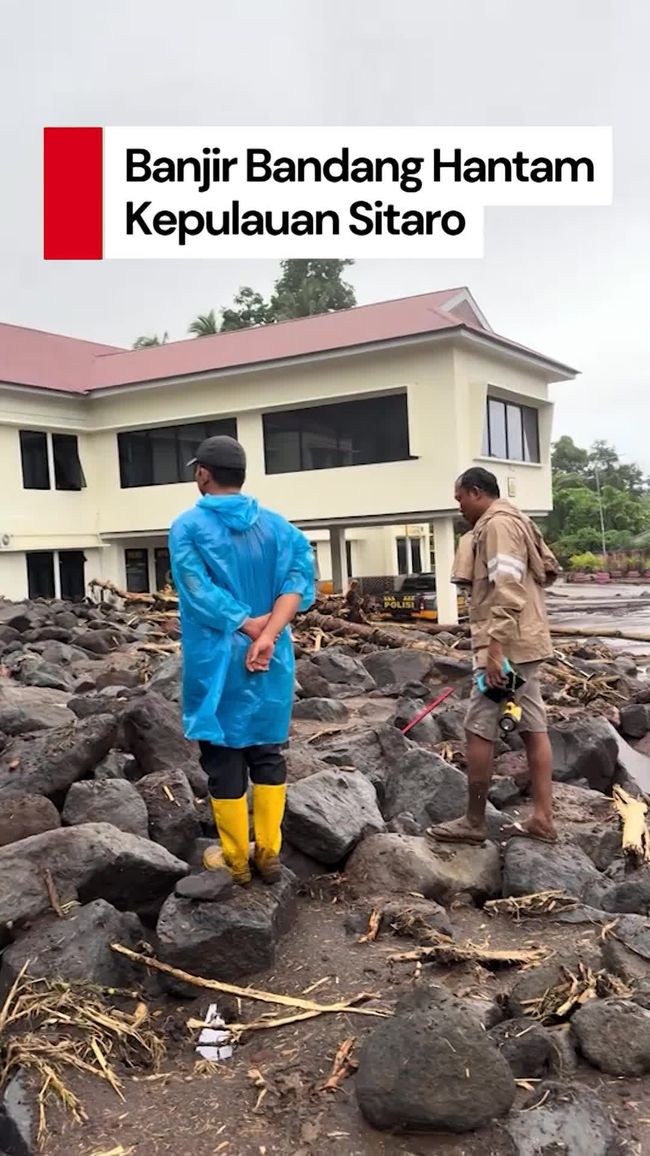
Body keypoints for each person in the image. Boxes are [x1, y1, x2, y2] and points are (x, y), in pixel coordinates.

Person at [168, 435, 315, 886]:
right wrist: (270, 634)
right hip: (272, 656)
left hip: (218, 658)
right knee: (266, 751)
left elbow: (196, 589)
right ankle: (268, 852)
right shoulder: (277, 526)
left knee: (224, 752)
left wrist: (248, 626)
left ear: (203, 474)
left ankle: (235, 860)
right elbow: (299, 580)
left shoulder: (188, 527)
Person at [428, 467, 560, 845]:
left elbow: (508, 587)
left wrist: (495, 649)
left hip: (510, 647)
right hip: (527, 643)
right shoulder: (516, 520)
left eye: (460, 500)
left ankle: (473, 822)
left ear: (475, 492)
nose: (460, 508)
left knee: (478, 725)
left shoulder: (498, 526)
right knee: (534, 726)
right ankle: (543, 819)